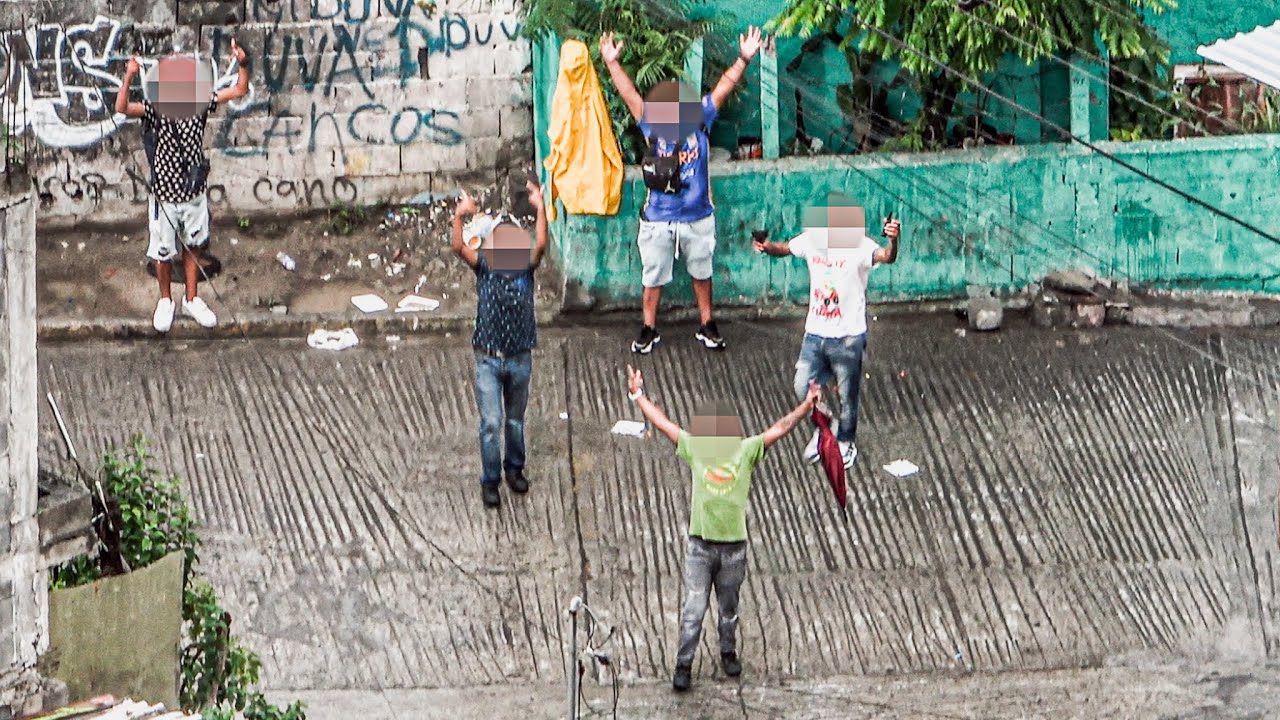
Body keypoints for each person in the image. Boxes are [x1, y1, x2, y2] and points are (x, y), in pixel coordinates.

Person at [625, 364, 821, 691]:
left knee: (728, 608)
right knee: (694, 609)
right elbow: (663, 424)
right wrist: (638, 395)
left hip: (733, 550)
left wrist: (806, 406)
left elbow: (781, 428)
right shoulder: (697, 449)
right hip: (700, 548)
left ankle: (728, 651)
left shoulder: (745, 452)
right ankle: (683, 664)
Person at [599, 27, 766, 354]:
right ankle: (649, 327)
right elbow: (629, 94)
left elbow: (724, 87)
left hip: (698, 216)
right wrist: (612, 64)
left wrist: (744, 58)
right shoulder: (652, 123)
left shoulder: (701, 118)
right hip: (659, 218)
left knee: (702, 275)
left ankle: (707, 324)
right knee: (652, 278)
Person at [753, 196, 901, 468]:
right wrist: (765, 247)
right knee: (802, 385)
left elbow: (886, 256)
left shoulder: (860, 247)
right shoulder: (812, 241)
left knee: (848, 394)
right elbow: (785, 249)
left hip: (848, 336)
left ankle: (845, 442)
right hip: (816, 332)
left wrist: (894, 239)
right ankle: (826, 424)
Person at [115, 37, 250, 333]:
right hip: (164, 194)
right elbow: (122, 107)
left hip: (193, 192)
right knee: (162, 251)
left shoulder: (201, 105)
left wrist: (242, 62)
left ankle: (191, 298)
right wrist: (129, 75)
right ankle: (166, 300)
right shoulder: (155, 108)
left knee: (194, 245)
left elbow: (239, 90)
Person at [452, 181, 549, 509]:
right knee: (492, 423)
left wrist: (541, 208)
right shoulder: (485, 267)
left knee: (515, 421)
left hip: (520, 357)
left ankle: (514, 469)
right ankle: (490, 480)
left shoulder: (526, 267)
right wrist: (459, 216)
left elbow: (542, 244)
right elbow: (457, 247)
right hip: (488, 360)